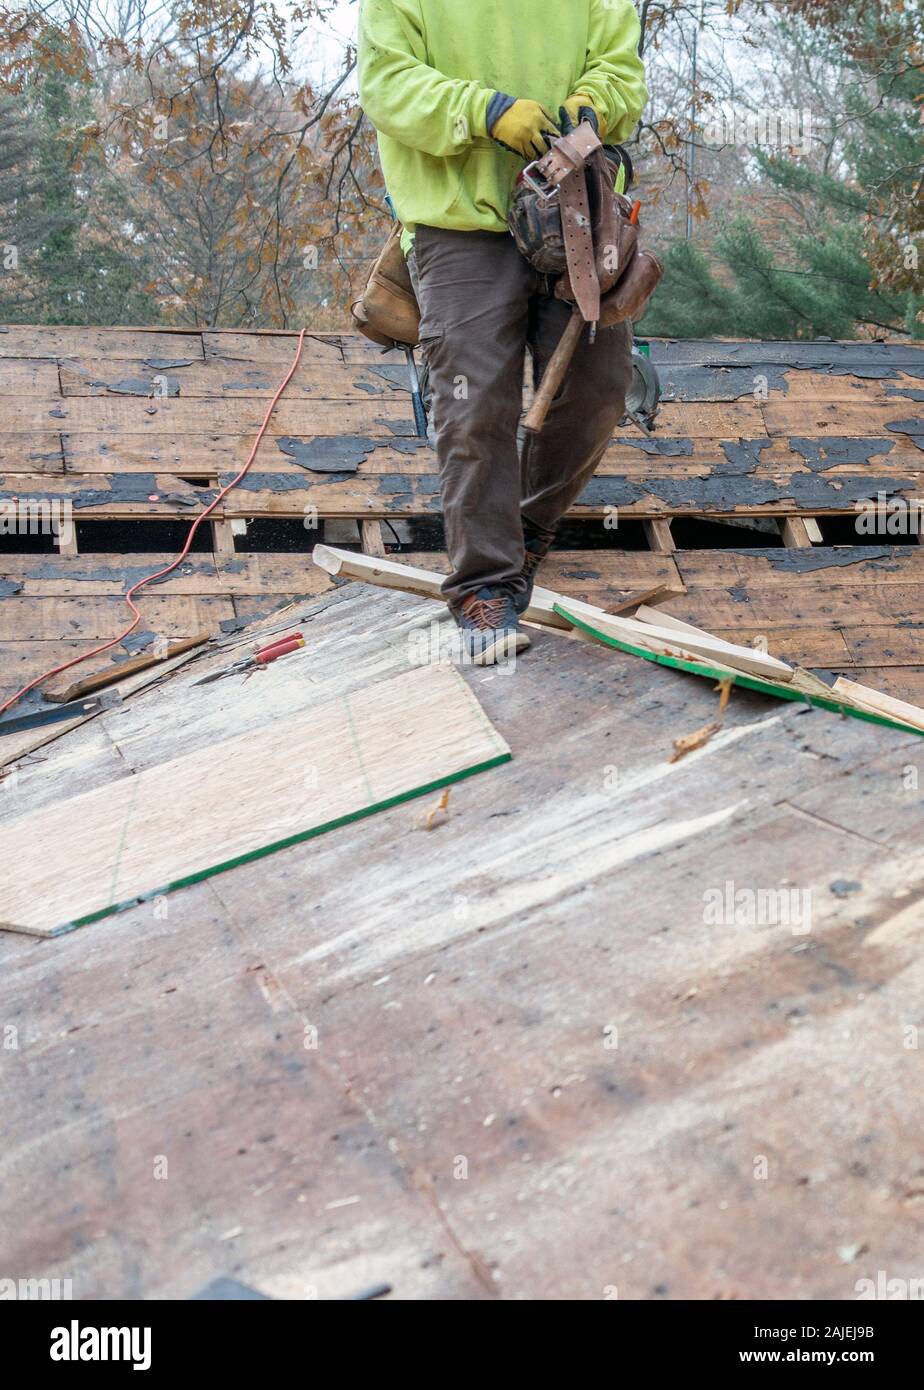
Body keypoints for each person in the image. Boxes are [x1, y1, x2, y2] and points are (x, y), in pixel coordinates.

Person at [358, 0, 648, 663]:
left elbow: (622, 70)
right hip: (460, 222)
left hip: (573, 206)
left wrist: (591, 107)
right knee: (473, 402)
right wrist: (485, 112)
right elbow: (386, 83)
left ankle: (525, 536)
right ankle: (484, 586)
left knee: (600, 387)